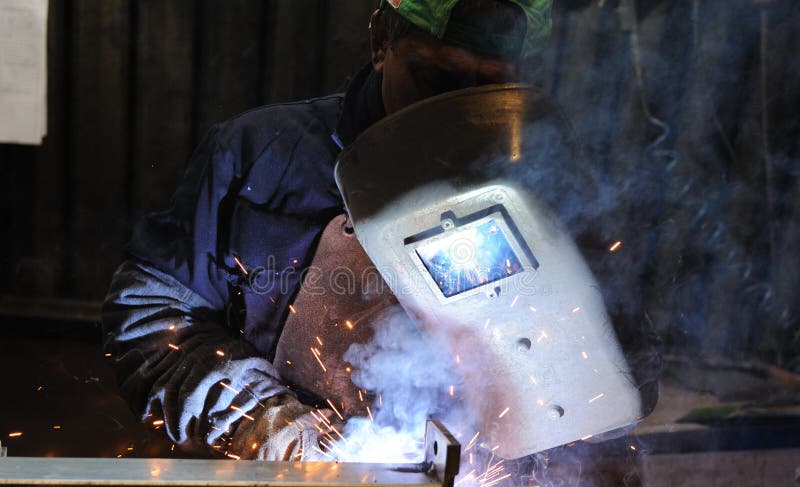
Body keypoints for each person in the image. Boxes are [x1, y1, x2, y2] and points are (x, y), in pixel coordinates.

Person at [102, 0, 554, 461]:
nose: (457, 112)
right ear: (381, 42)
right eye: (437, 79)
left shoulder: (546, 189)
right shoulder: (258, 156)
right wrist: (261, 422)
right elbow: (150, 317)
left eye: (488, 86)